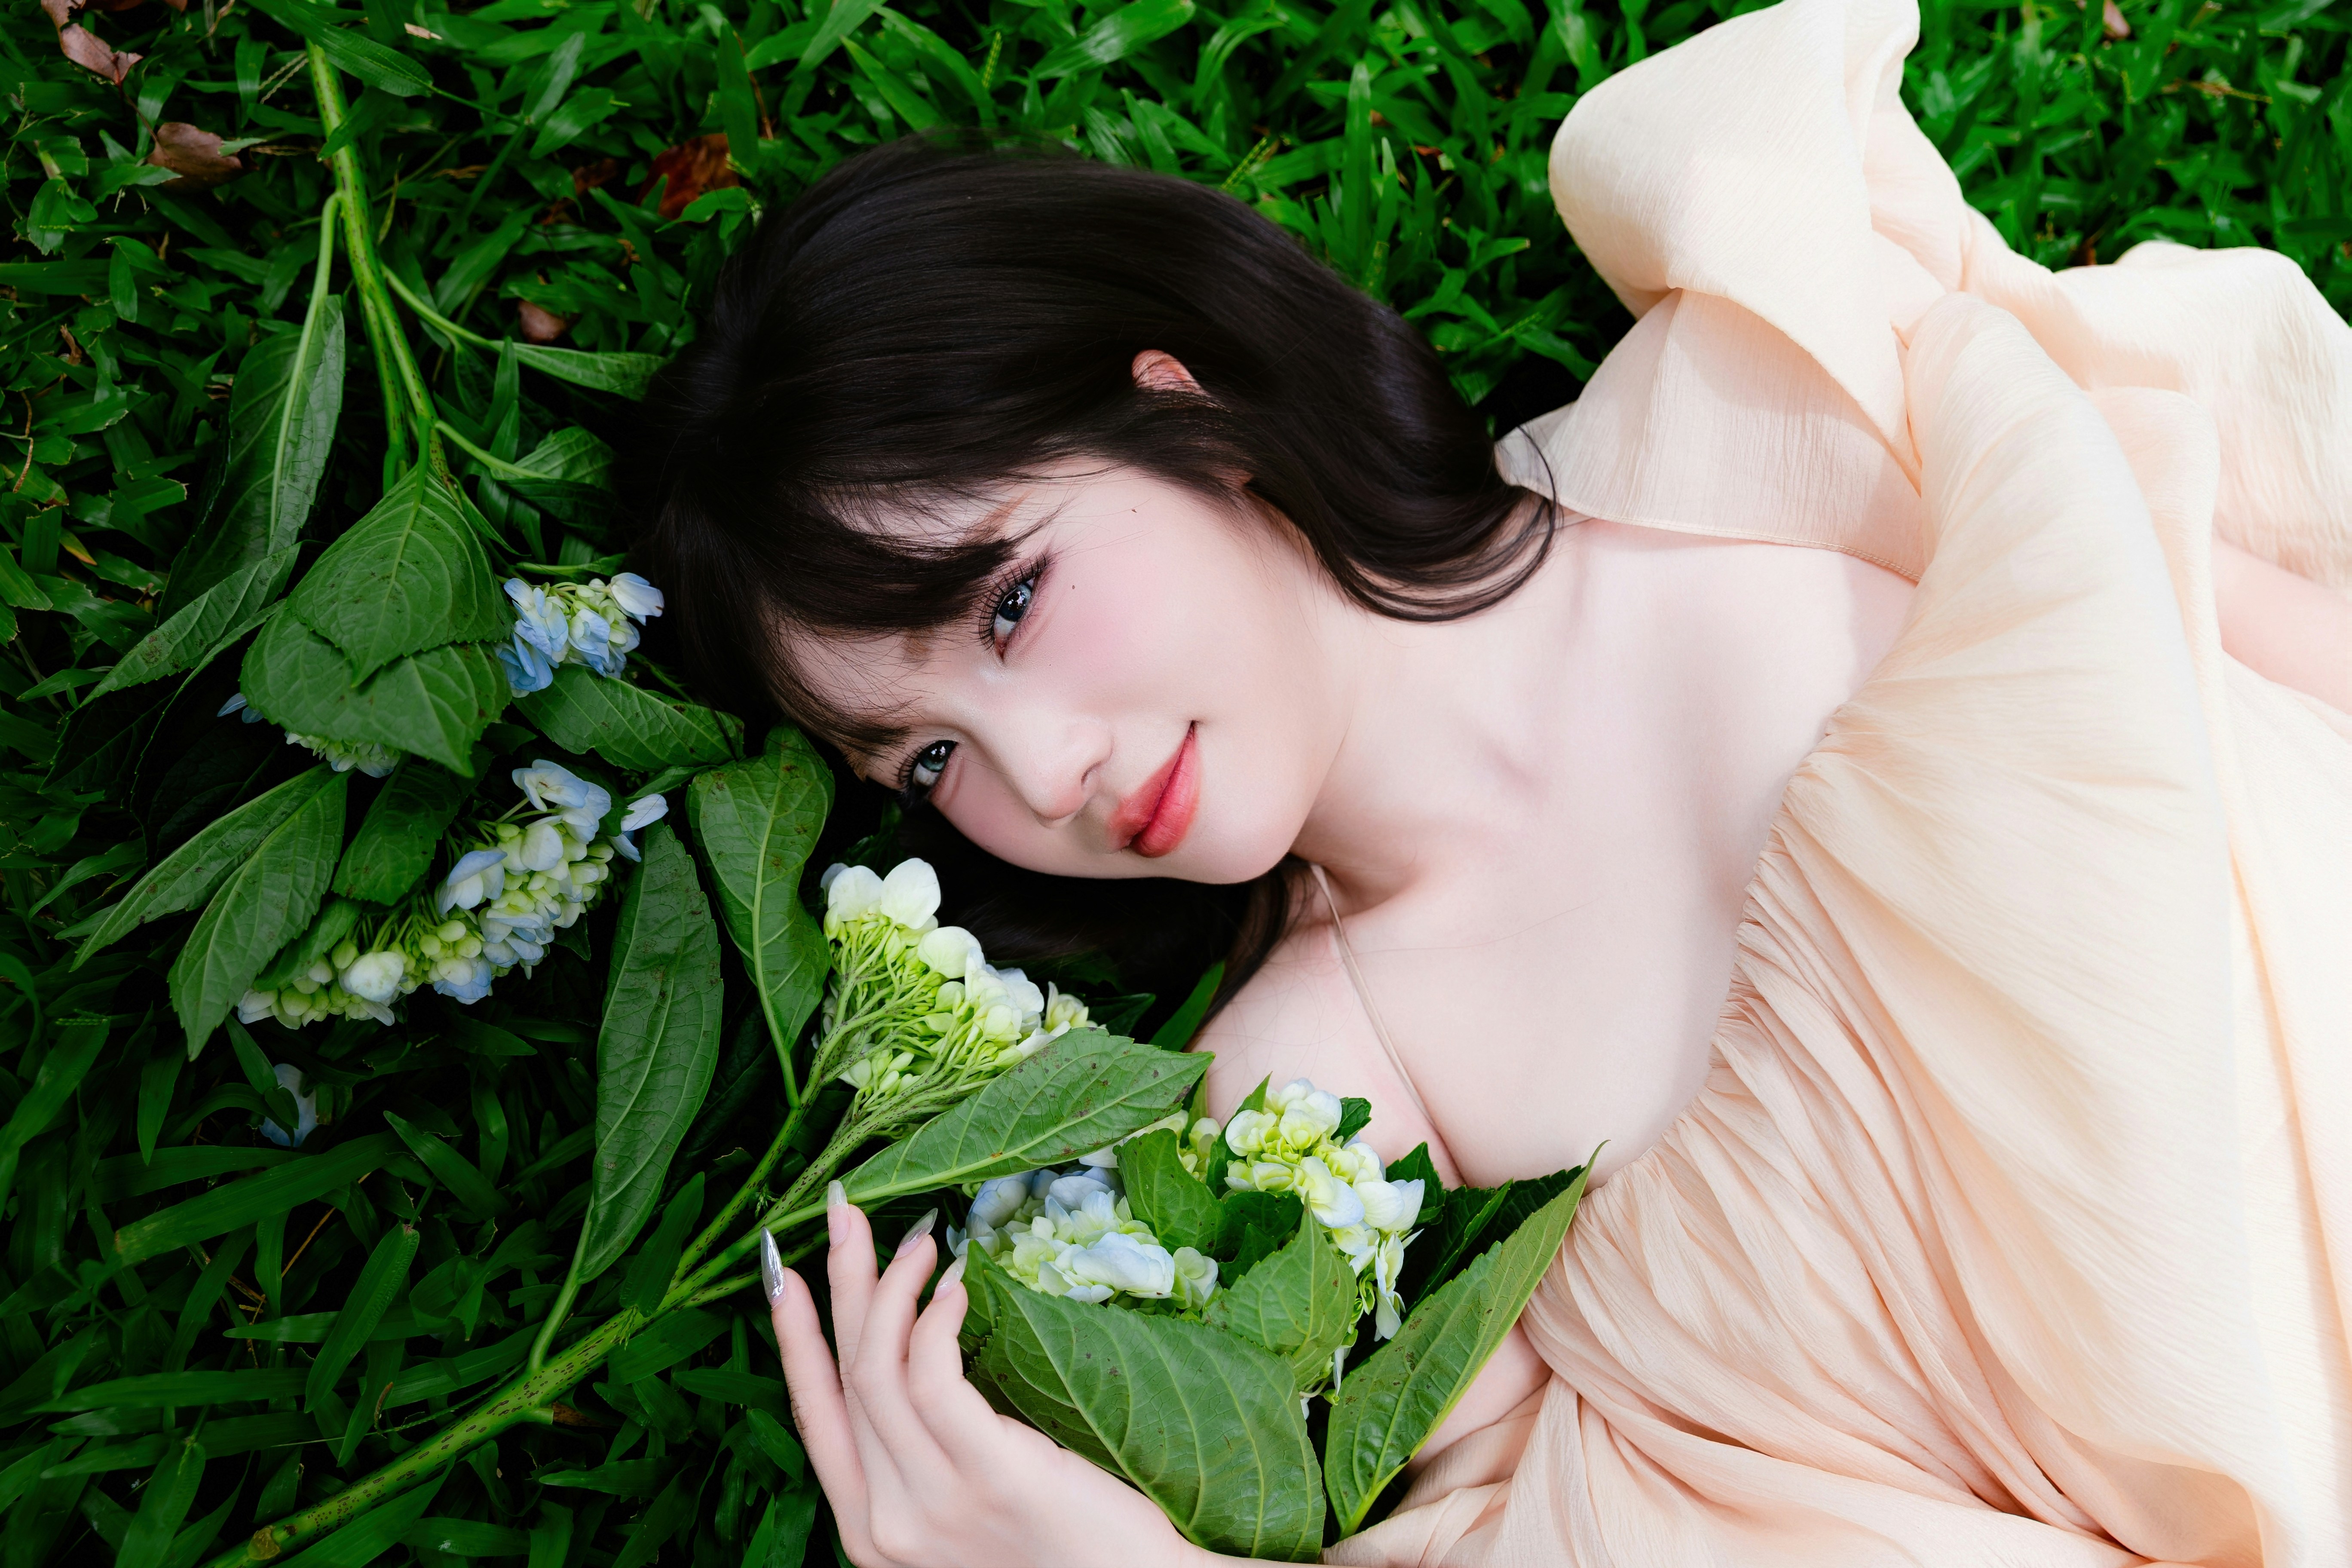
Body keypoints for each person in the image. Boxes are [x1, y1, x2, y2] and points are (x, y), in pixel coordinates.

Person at [628, 0, 2352, 1559]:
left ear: (1189, 408)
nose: (1042, 773)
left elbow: (2254, 627)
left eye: (1010, 603)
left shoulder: (1754, 408)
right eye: (925, 759)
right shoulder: (1304, 1109)